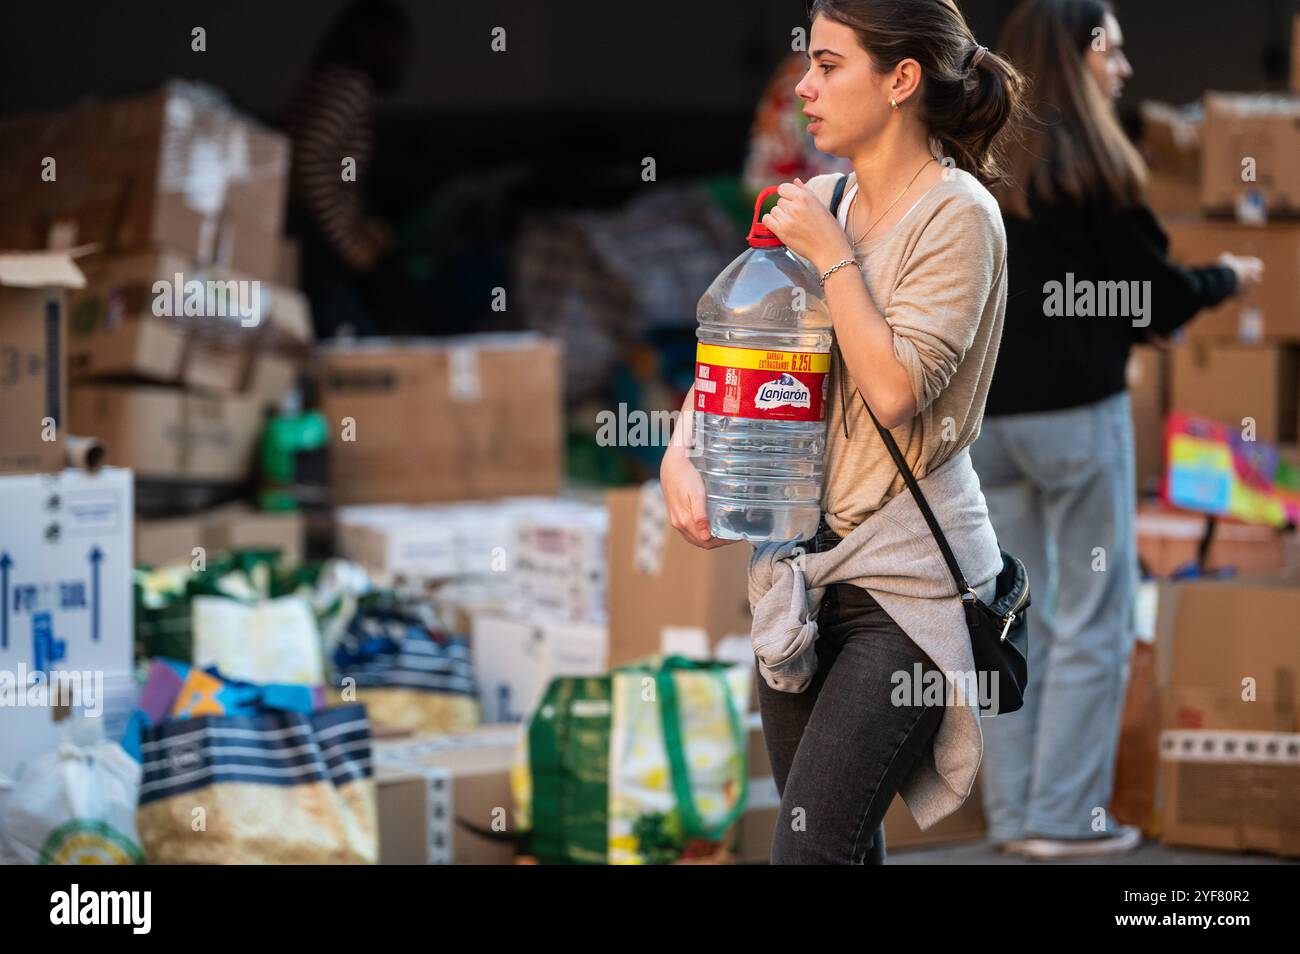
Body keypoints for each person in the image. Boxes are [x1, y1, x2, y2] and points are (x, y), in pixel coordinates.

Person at [661, 0, 1024, 864]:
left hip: (909, 581)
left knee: (810, 850)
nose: (805, 88)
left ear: (901, 80)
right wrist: (681, 453)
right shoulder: (820, 199)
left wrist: (830, 254)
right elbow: (729, 353)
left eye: (828, 65)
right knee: (831, 848)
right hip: (800, 572)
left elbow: (896, 389)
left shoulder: (958, 216)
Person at [972, 0, 1263, 860]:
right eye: (1113, 50)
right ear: (1074, 57)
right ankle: (1063, 822)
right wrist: (1228, 277)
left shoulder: (977, 163)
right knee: (1091, 617)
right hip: (1074, 421)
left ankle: (1017, 816)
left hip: (986, 428)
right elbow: (1157, 292)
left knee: (1010, 620)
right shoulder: (1094, 164)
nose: (1127, 67)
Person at [282, 0, 413, 339]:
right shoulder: (350, 86)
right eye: (400, 44)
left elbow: (339, 170)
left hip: (306, 230)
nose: (405, 56)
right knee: (350, 341)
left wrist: (362, 222)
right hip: (316, 237)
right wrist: (348, 242)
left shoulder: (321, 81)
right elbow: (309, 160)